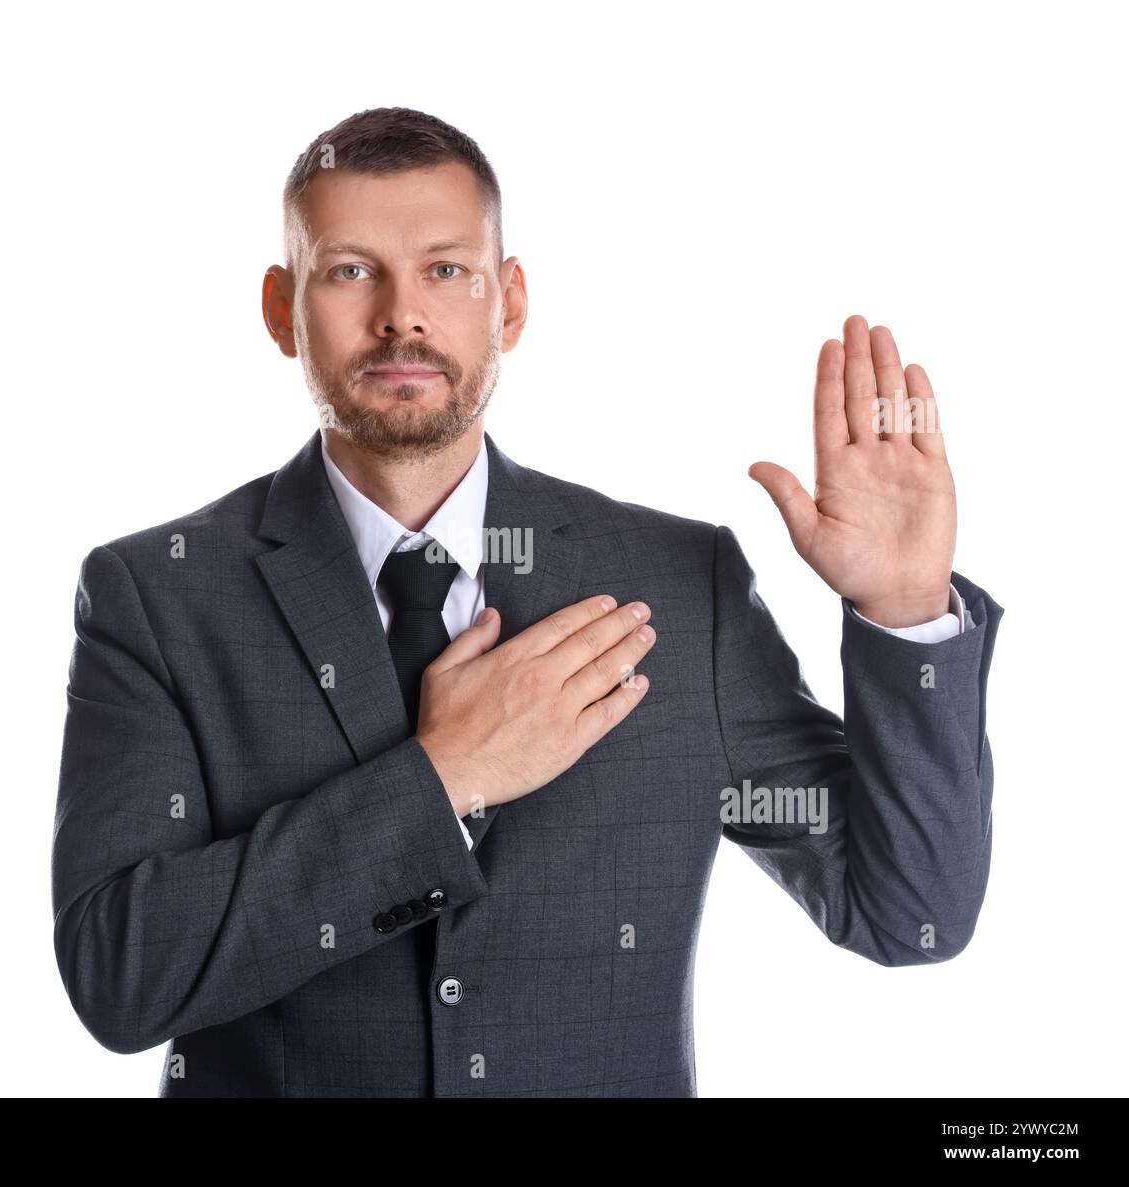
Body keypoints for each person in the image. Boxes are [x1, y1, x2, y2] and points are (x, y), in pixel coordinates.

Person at [51, 107, 1003, 1098]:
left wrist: (904, 613)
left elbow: (909, 909)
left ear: (509, 303)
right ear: (280, 307)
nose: (401, 316)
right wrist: (444, 773)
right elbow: (119, 973)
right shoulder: (158, 593)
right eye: (349, 271)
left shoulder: (683, 585)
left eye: (446, 269)